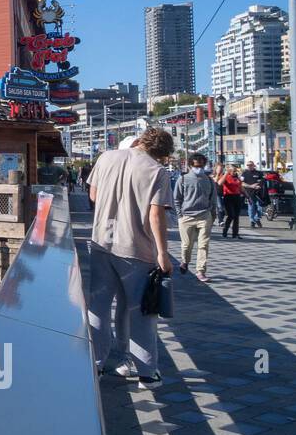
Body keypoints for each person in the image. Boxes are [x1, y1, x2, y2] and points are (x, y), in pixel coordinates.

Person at [87, 127, 176, 386]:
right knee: (141, 311)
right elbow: (156, 215)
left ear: (141, 140)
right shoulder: (157, 172)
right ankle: (147, 372)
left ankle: (96, 364)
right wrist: (163, 253)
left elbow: (92, 195)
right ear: (162, 153)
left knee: (98, 307)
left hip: (102, 243)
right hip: (137, 249)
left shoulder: (106, 157)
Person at [174, 152, 220, 282]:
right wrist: (180, 215)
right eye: (196, 164)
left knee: (203, 245)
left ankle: (201, 271)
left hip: (204, 215)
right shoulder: (182, 179)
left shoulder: (209, 180)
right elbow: (176, 198)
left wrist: (213, 214)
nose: (198, 167)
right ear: (190, 165)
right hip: (186, 216)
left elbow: (213, 199)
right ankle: (185, 261)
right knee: (186, 245)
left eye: (201, 164)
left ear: (204, 164)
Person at [219, 164, 244, 238]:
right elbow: (220, 183)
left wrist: (247, 196)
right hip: (228, 197)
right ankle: (225, 230)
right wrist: (226, 173)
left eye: (235, 170)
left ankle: (235, 233)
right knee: (231, 215)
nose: (234, 172)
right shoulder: (226, 176)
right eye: (232, 170)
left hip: (237, 197)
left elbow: (241, 187)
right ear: (229, 170)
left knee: (236, 216)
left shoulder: (237, 178)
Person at [240, 161, 266, 227]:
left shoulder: (259, 173)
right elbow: (242, 183)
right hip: (249, 193)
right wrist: (251, 186)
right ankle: (252, 221)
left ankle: (257, 219)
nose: (249, 166)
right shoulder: (244, 173)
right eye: (248, 165)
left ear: (253, 165)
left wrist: (259, 185)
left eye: (250, 165)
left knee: (259, 208)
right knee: (251, 207)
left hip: (258, 193)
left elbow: (263, 180)